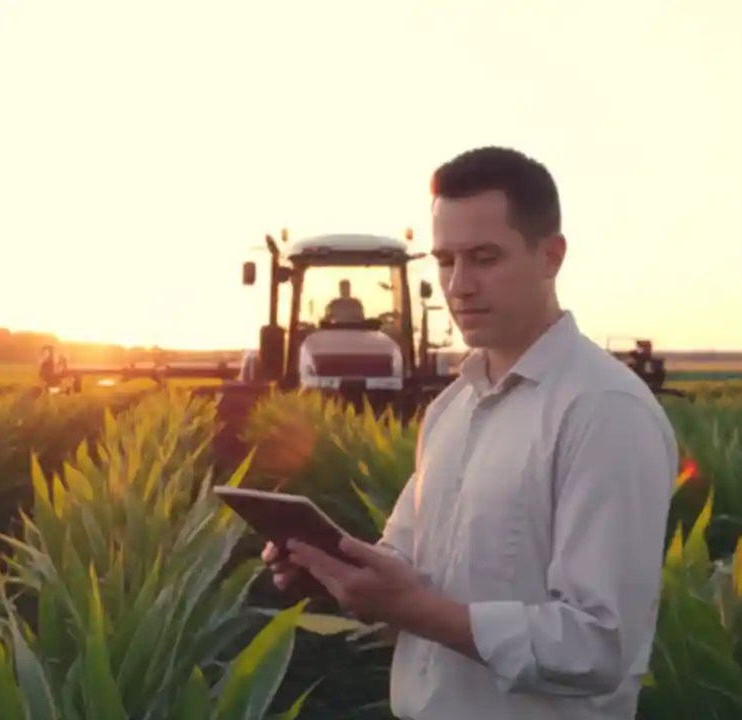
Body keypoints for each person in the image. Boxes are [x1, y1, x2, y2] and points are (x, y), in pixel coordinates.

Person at [262, 146, 677, 719]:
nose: (459, 285)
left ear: (551, 256)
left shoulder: (602, 410)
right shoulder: (452, 409)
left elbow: (598, 644)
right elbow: (406, 566)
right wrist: (337, 575)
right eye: (446, 261)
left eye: (484, 258)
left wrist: (413, 609)